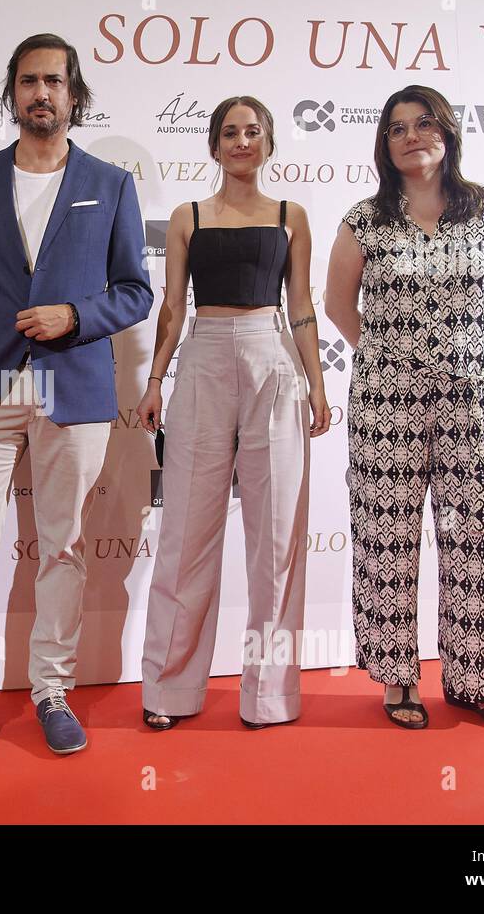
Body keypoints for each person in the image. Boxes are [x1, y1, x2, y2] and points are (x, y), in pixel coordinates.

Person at [0, 33, 152, 772]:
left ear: (75, 96)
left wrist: (76, 316)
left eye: (55, 81)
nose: (41, 93)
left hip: (72, 383)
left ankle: (52, 692)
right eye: (29, 81)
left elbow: (135, 291)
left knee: (65, 546)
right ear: (11, 94)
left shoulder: (111, 183)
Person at [324, 85, 484, 731]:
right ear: (384, 145)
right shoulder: (364, 219)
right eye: (397, 127)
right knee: (389, 537)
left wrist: (457, 351)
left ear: (447, 130)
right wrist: (393, 357)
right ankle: (397, 679)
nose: (413, 134)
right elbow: (336, 306)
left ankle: (477, 679)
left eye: (424, 122)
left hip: (475, 397)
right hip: (388, 402)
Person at [136, 96, 329, 731]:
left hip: (273, 357)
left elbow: (300, 305)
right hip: (205, 354)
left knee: (276, 539)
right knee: (187, 532)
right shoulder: (187, 217)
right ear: (213, 145)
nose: (241, 141)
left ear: (269, 142)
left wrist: (317, 383)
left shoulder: (290, 216)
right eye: (229, 132)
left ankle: (268, 695)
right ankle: (168, 690)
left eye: (252, 131)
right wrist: (155, 379)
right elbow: (171, 307)